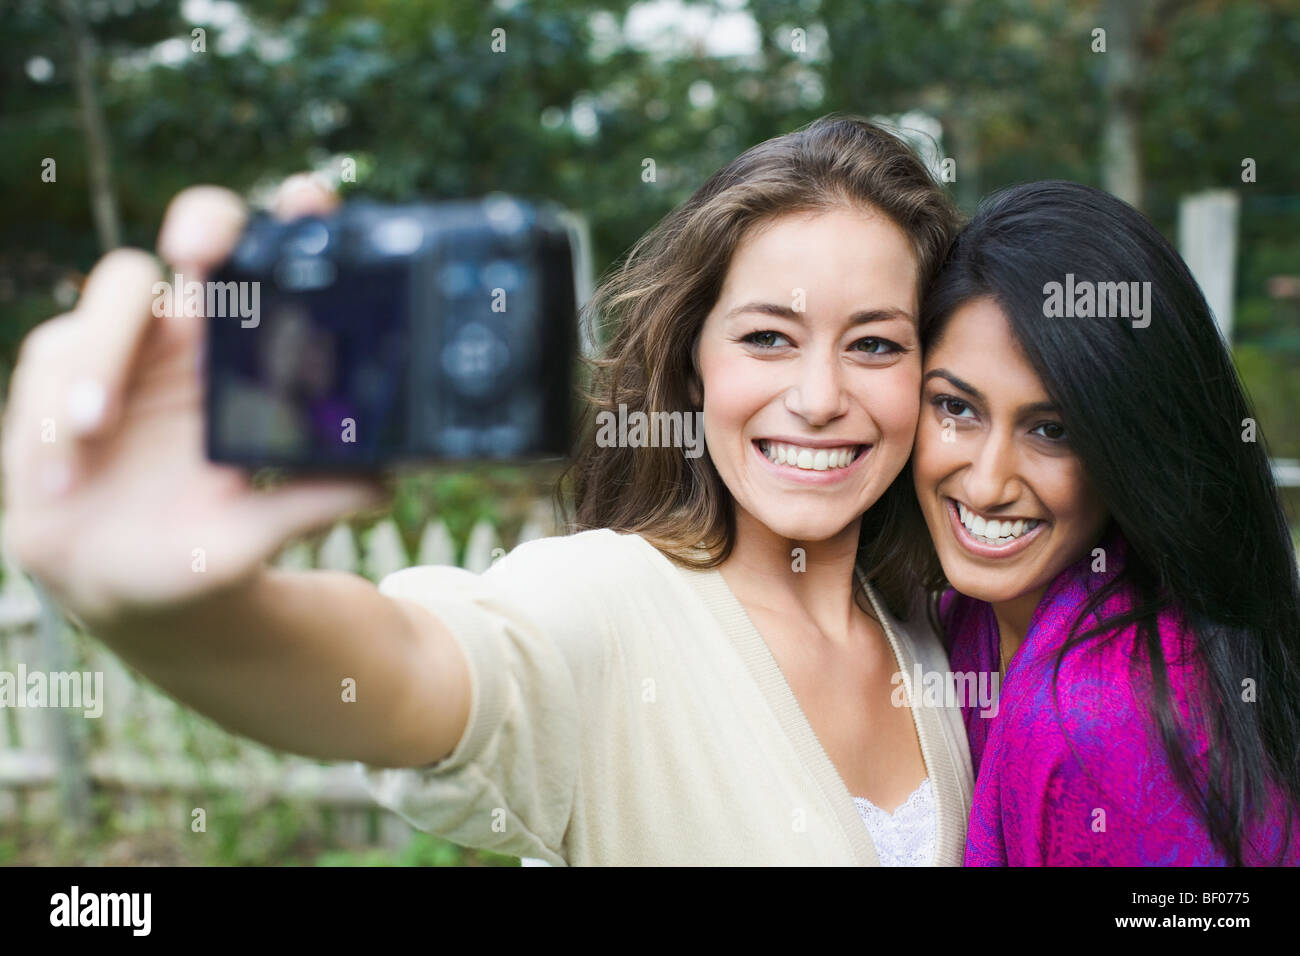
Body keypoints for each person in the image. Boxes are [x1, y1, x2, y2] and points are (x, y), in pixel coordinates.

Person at [3, 115, 973, 865]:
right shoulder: (599, 606)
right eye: (766, 336)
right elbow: (412, 671)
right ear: (690, 369)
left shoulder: (937, 634)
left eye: (875, 343)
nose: (818, 397)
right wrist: (185, 608)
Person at [910, 180, 1300, 865]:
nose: (987, 482)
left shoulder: (1097, 719)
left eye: (1052, 428)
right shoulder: (961, 614)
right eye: (956, 408)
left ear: (1129, 442)